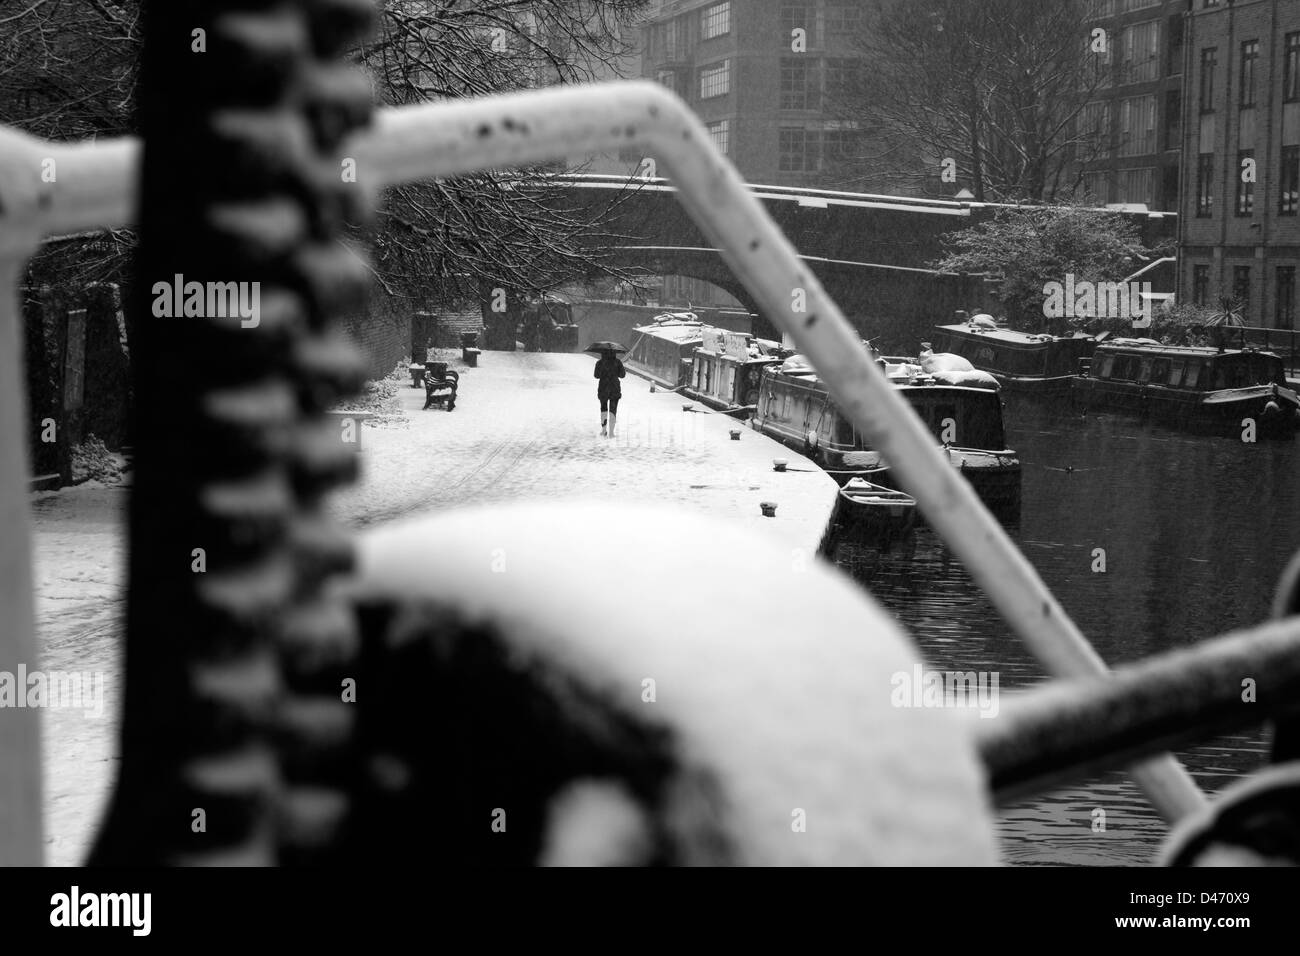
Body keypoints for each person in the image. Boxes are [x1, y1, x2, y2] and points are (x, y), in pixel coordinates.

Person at [594, 349, 626, 436]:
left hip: (603, 388)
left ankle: (604, 430)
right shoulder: (618, 362)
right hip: (614, 389)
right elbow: (622, 375)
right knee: (613, 410)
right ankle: (611, 432)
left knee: (603, 409)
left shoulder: (600, 363)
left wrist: (603, 371)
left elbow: (596, 376)